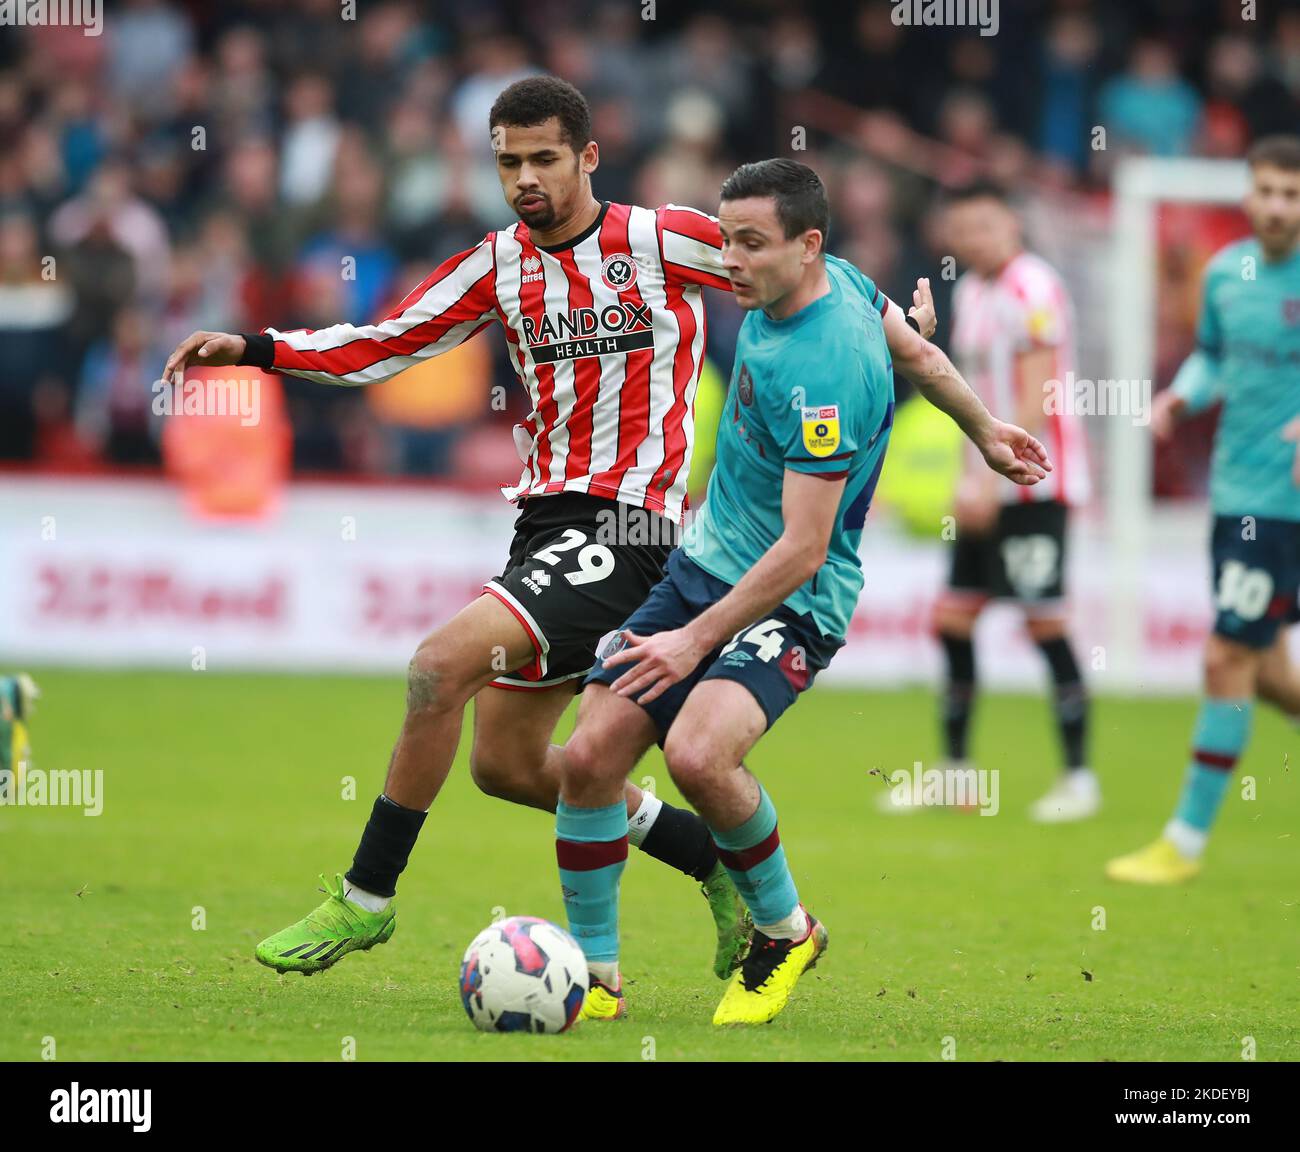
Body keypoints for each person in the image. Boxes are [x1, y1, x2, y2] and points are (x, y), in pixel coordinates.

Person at [551, 159, 1051, 1024]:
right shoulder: (843, 282)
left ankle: (786, 932)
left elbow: (804, 546)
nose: (728, 260)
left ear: (805, 246)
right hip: (704, 567)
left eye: (749, 244)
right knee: (590, 758)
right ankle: (594, 980)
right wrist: (986, 432)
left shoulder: (827, 371)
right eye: (724, 238)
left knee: (700, 756)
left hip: (792, 597)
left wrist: (691, 639)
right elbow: (921, 349)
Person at [1108, 135, 1300, 884]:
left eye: (1293, 193)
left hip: (1286, 507)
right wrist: (1181, 393)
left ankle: (1183, 842)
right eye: (1269, 191)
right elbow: (1214, 355)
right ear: (1248, 195)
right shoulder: (1225, 275)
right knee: (1268, 671)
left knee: (1225, 656)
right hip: (1239, 497)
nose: (1279, 207)